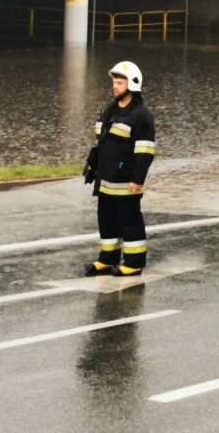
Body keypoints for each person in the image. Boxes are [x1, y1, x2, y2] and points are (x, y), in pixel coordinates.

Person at [83, 61, 156, 277]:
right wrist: (93, 164)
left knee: (129, 221)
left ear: (132, 84)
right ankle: (107, 259)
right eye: (115, 82)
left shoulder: (142, 115)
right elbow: (101, 143)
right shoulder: (109, 110)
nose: (115, 86)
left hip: (126, 182)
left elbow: (145, 151)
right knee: (106, 221)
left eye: (120, 82)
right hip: (105, 180)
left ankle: (134, 262)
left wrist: (138, 179)